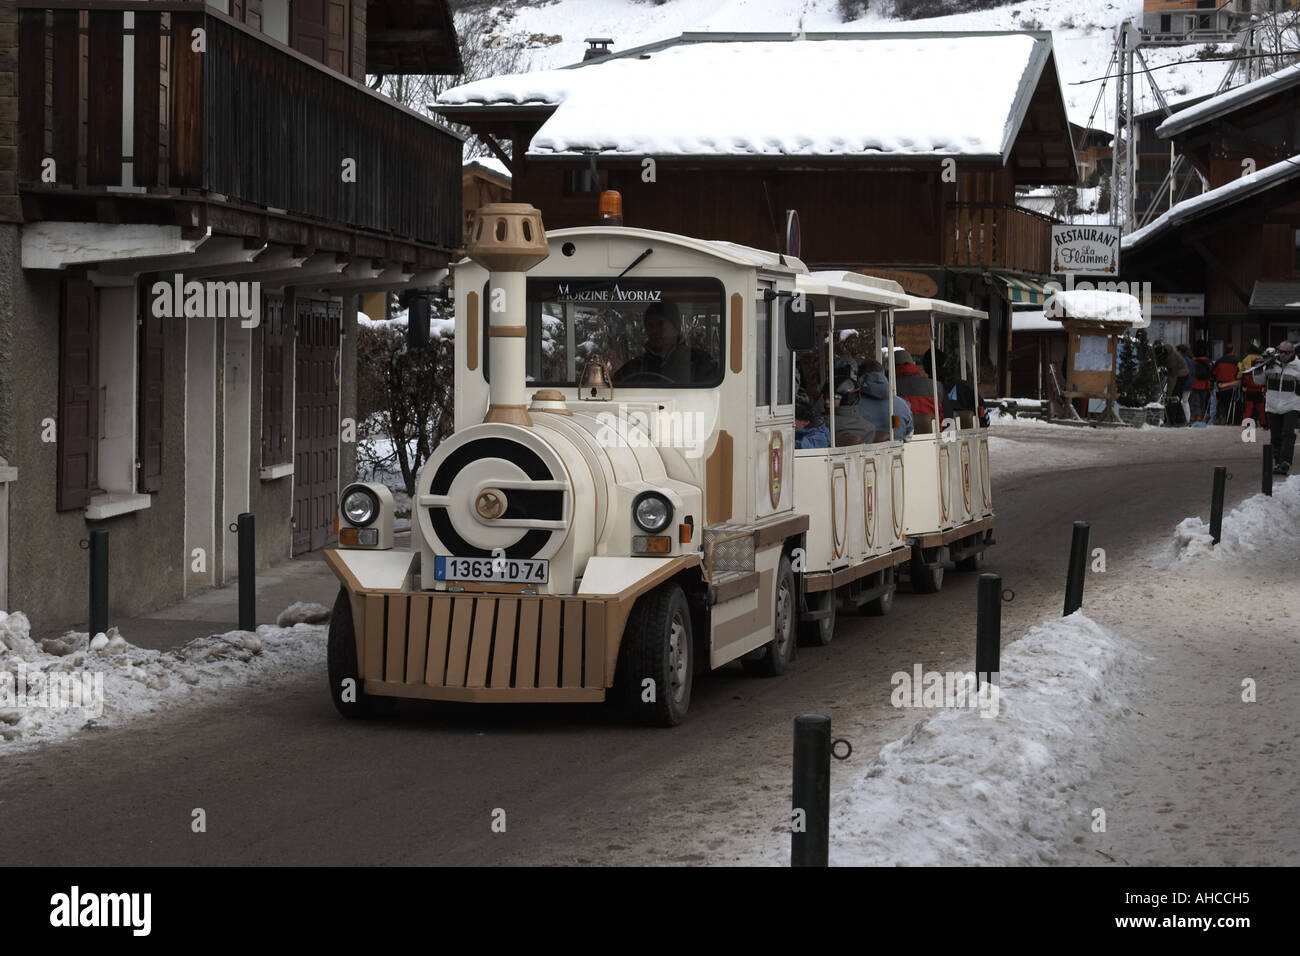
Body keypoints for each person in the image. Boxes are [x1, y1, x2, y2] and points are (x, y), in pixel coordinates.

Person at [612, 301, 719, 385]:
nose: (654, 331)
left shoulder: (700, 361)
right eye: (650, 325)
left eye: (660, 324)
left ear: (676, 328)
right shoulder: (636, 366)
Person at [1252, 340, 1300, 475]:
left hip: (1292, 405)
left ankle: (1285, 461)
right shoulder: (1271, 364)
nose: (1283, 355)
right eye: (1281, 352)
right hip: (1273, 405)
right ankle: (1278, 461)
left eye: (1287, 352)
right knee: (1275, 436)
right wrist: (1258, 367)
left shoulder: (1298, 366)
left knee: (1288, 433)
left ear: (1293, 353)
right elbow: (1259, 381)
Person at [893, 348, 937, 421]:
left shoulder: (888, 388)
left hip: (902, 429)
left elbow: (894, 422)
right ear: (912, 364)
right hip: (934, 431)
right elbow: (945, 417)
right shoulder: (936, 386)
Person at [1156, 339, 1187, 425]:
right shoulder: (1166, 353)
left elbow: (1172, 376)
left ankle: (1174, 419)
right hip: (1177, 373)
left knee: (1173, 396)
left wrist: (1169, 392)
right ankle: (1178, 419)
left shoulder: (1171, 358)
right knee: (1174, 397)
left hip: (1180, 375)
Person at [1211, 345, 1241, 425]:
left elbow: (1213, 373)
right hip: (1233, 386)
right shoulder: (1237, 361)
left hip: (1220, 386)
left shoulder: (1219, 361)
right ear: (1232, 350)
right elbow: (1241, 373)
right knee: (1231, 403)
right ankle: (1230, 419)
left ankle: (1220, 417)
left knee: (1221, 402)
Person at [1239, 342, 1267, 427]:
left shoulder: (1245, 359)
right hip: (1259, 390)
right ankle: (1264, 424)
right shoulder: (1263, 359)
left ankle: (1245, 424)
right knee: (1261, 409)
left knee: (1248, 409)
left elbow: (1241, 372)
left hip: (1249, 390)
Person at [1188, 340, 1213, 424]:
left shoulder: (1194, 361)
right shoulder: (1208, 362)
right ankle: (1202, 416)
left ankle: (1197, 417)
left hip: (1195, 384)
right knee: (1203, 401)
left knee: (1196, 401)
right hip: (1205, 385)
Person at [1175, 343, 1195, 425]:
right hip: (1189, 383)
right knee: (1185, 401)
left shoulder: (1178, 359)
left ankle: (1177, 418)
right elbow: (1193, 372)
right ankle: (1187, 419)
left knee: (1176, 401)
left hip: (1180, 383)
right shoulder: (1190, 360)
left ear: (1179, 351)